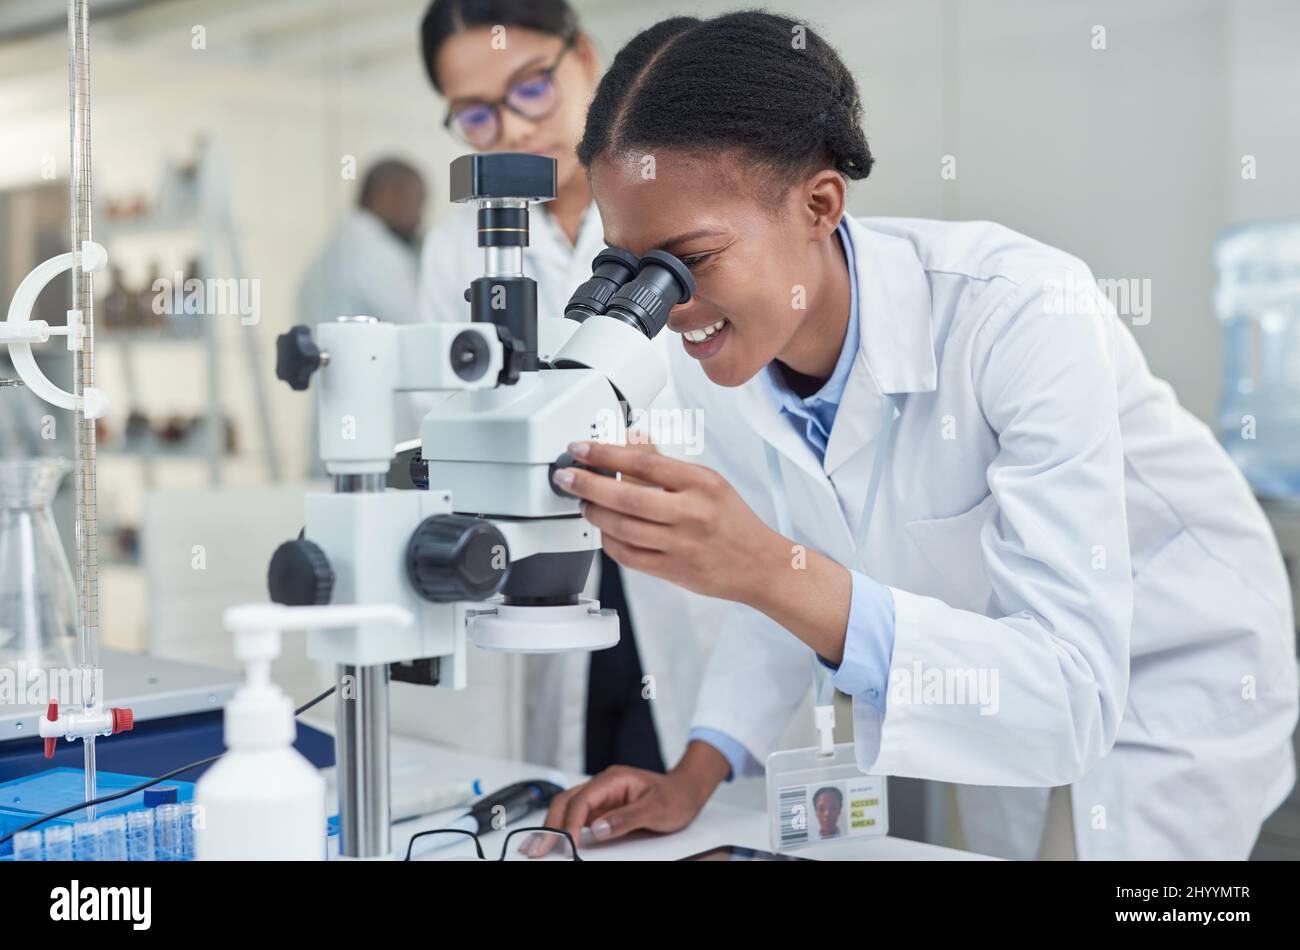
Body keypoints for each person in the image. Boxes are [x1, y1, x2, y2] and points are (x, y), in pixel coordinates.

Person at [540, 11, 1298, 860]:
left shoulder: (1021, 310)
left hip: (1167, 670)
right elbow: (787, 571)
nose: (664, 304)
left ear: (820, 204)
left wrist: (756, 564)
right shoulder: (717, 354)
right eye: (629, 267)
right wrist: (696, 773)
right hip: (1003, 666)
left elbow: (1068, 693)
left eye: (692, 260)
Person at [416, 0, 722, 777]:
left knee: (692, 781)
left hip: (691, 566)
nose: (515, 130)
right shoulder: (459, 243)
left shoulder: (681, 199)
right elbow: (440, 413)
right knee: (576, 788)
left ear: (583, 56)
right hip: (541, 560)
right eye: (476, 116)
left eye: (530, 90)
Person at [297, 158, 427, 438]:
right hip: (375, 431)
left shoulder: (331, 254)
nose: (419, 217)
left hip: (336, 424)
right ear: (390, 194)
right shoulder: (377, 255)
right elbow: (423, 330)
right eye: (418, 202)